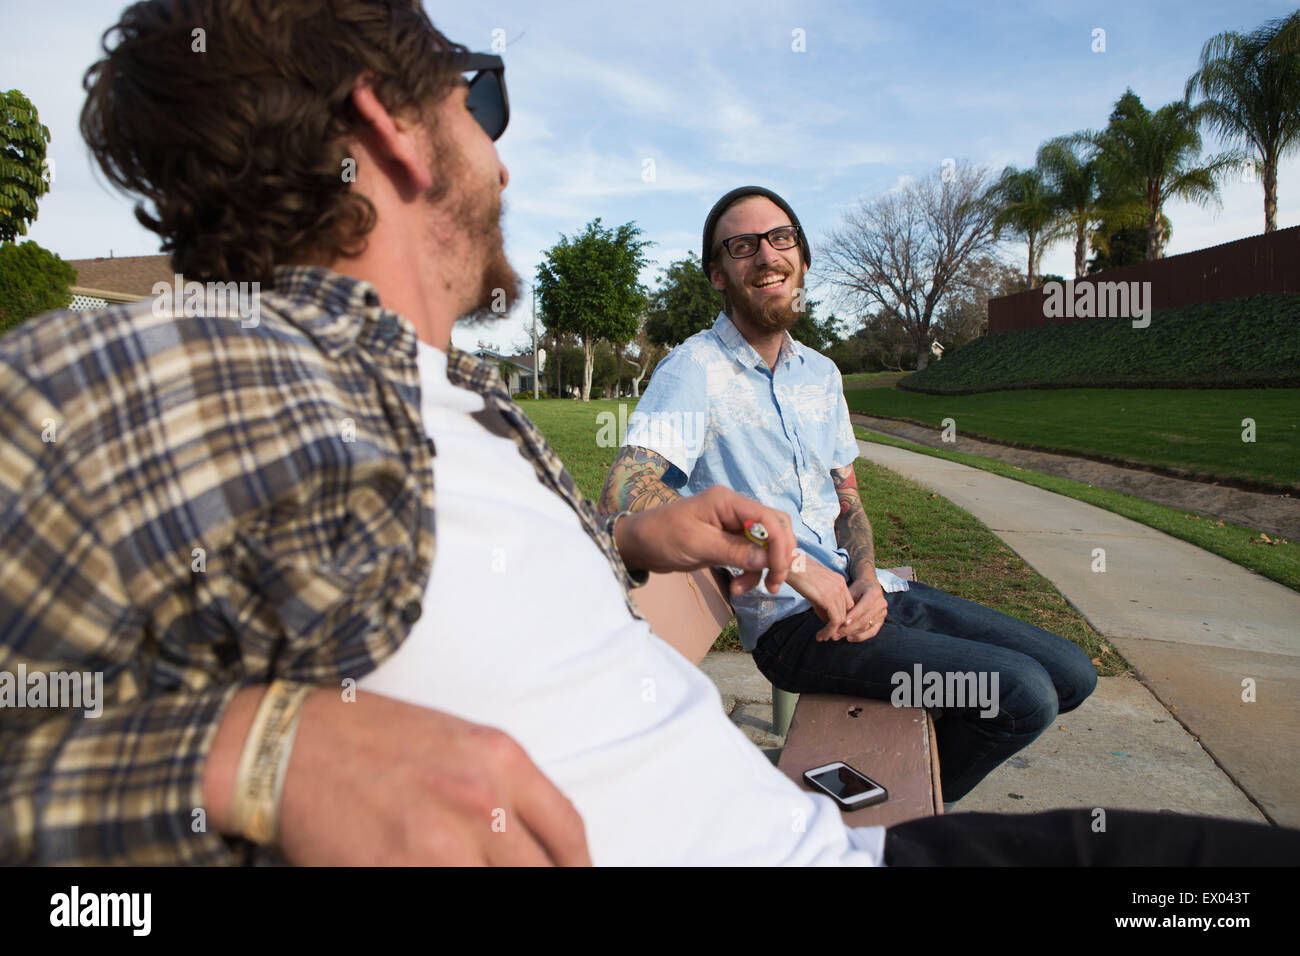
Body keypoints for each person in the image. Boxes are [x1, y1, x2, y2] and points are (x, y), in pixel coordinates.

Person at [0, 0, 1293, 867]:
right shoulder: (164, 368)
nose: (501, 162)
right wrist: (253, 754)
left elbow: (512, 603)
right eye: (481, 98)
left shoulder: (459, 407)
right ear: (393, 130)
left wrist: (629, 540)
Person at [599, 185, 1097, 805]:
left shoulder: (823, 375)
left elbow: (848, 500)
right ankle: (872, 826)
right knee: (1020, 695)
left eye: (781, 238)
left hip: (872, 591)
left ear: (802, 259)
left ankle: (867, 795)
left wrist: (864, 575)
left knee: (1073, 674)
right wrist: (790, 563)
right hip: (793, 624)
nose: (766, 255)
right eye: (741, 245)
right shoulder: (694, 369)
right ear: (718, 276)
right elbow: (623, 490)